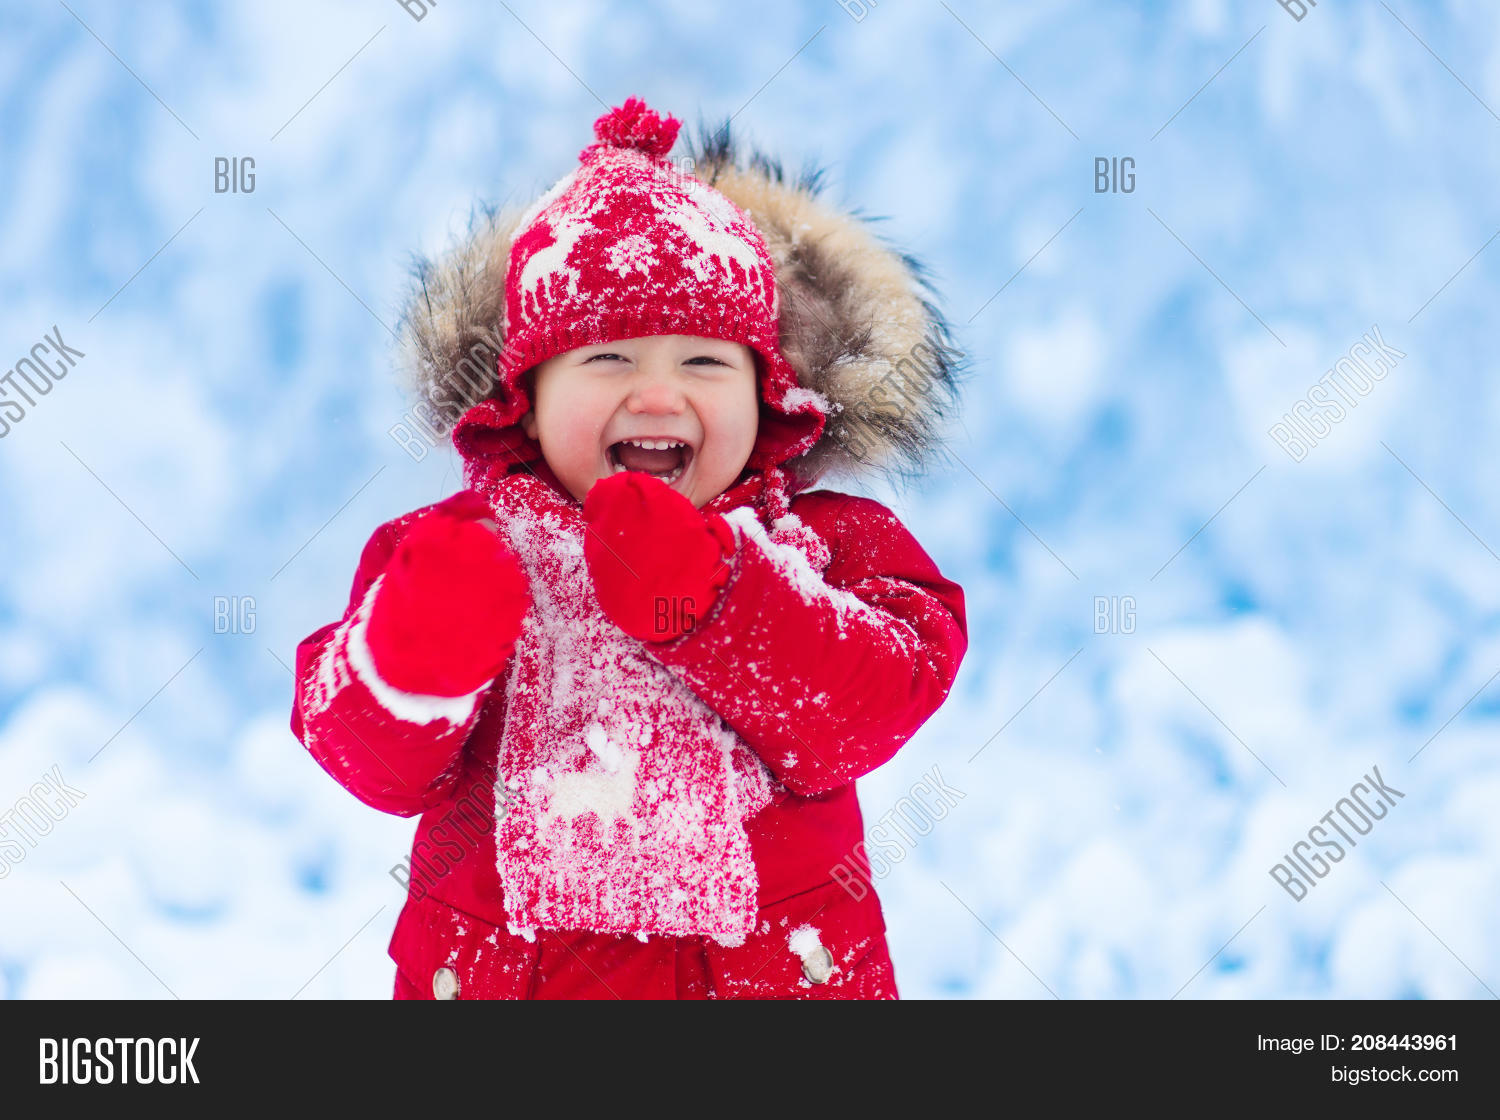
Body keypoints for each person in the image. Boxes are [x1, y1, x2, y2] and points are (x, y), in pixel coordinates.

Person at [290, 96, 968, 999]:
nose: (656, 395)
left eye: (704, 362)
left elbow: (868, 709)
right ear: (527, 402)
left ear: (766, 395)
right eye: (607, 359)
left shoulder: (817, 544)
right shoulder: (454, 553)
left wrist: (718, 597)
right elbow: (364, 760)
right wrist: (414, 658)